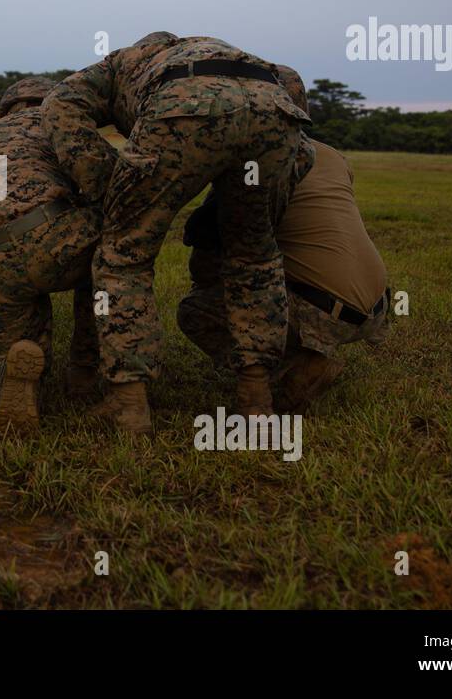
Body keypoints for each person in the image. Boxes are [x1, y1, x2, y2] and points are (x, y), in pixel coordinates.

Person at [41, 32, 312, 433]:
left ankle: (128, 402)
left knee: (123, 254)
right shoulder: (214, 49)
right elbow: (290, 83)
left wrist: (103, 184)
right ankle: (256, 400)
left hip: (183, 106)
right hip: (274, 108)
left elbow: (59, 105)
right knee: (254, 254)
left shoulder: (117, 64)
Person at [178, 67, 389, 411]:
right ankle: (309, 348)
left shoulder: (251, 158)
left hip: (325, 308)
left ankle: (294, 366)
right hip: (376, 306)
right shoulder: (332, 154)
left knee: (195, 310)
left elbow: (204, 237)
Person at [0, 77, 100, 432]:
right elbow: (101, 183)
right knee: (113, 253)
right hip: (48, 245)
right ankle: (86, 370)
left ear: (4, 110)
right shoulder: (60, 123)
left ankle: (0, 375)